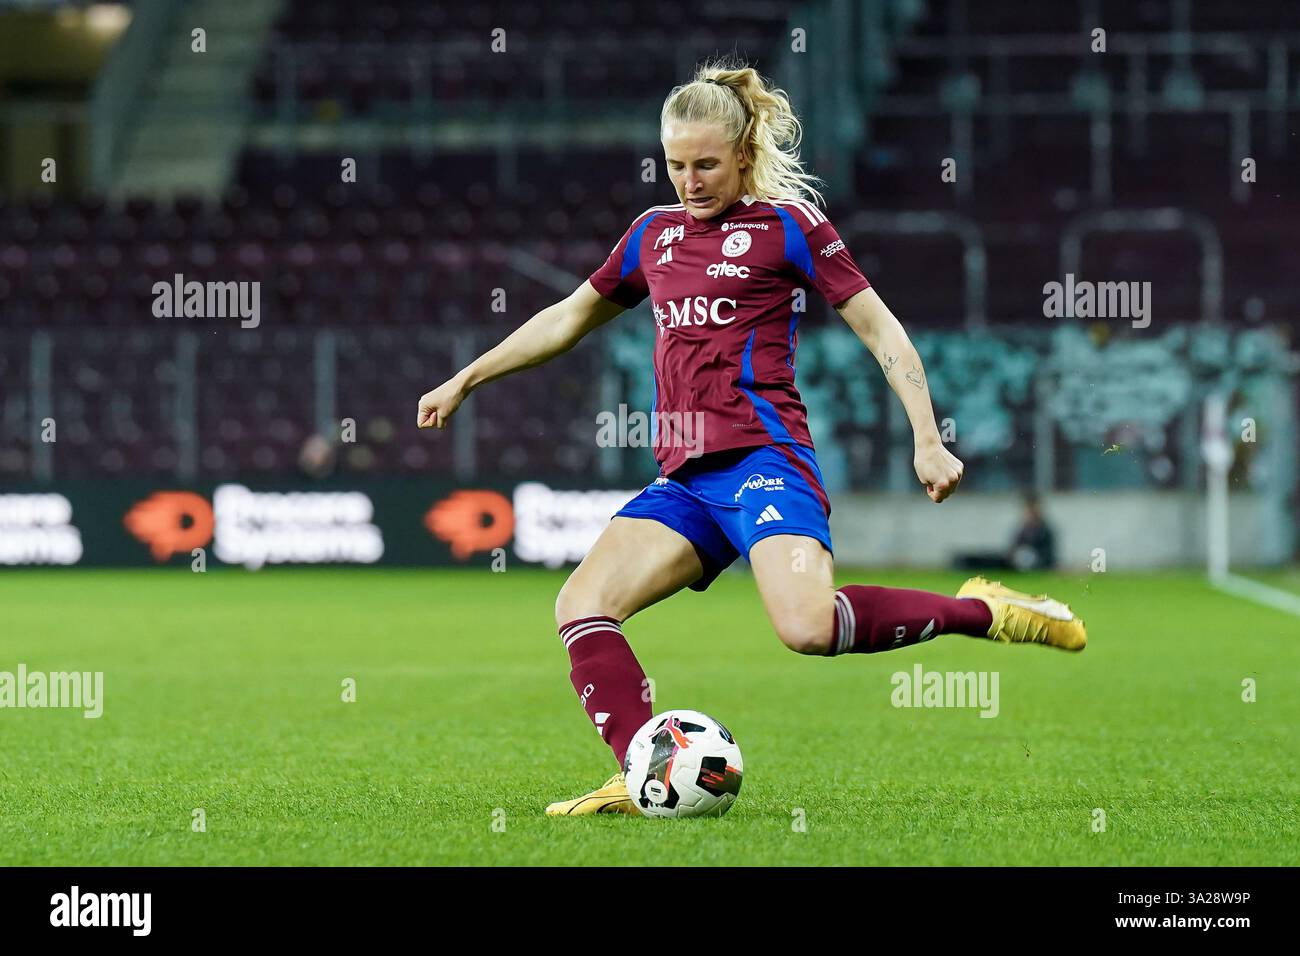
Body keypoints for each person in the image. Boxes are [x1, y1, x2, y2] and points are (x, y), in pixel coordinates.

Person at [417, 61, 1087, 816]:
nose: (690, 181)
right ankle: (644, 769)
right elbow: (567, 318)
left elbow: (880, 328)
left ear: (742, 153)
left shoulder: (789, 227)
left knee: (806, 628)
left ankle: (984, 611)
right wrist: (466, 378)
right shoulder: (651, 236)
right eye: (675, 165)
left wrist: (926, 437)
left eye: (706, 164)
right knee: (580, 605)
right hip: (687, 482)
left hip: (767, 464)